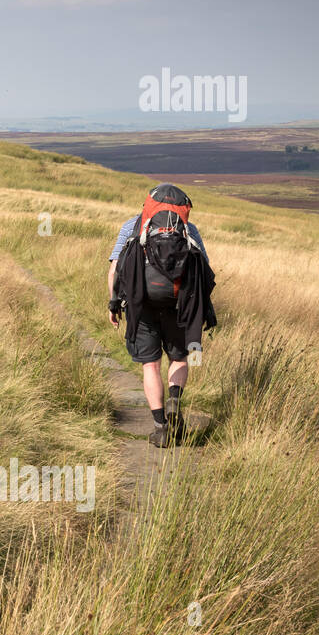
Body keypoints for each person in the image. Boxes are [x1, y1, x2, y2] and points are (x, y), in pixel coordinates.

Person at [107, 183, 216, 448]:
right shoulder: (188, 230)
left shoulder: (131, 226)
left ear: (148, 205)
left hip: (141, 303)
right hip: (179, 304)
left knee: (151, 365)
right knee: (179, 357)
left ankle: (160, 427)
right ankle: (174, 400)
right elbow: (204, 269)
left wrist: (113, 304)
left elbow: (115, 269)